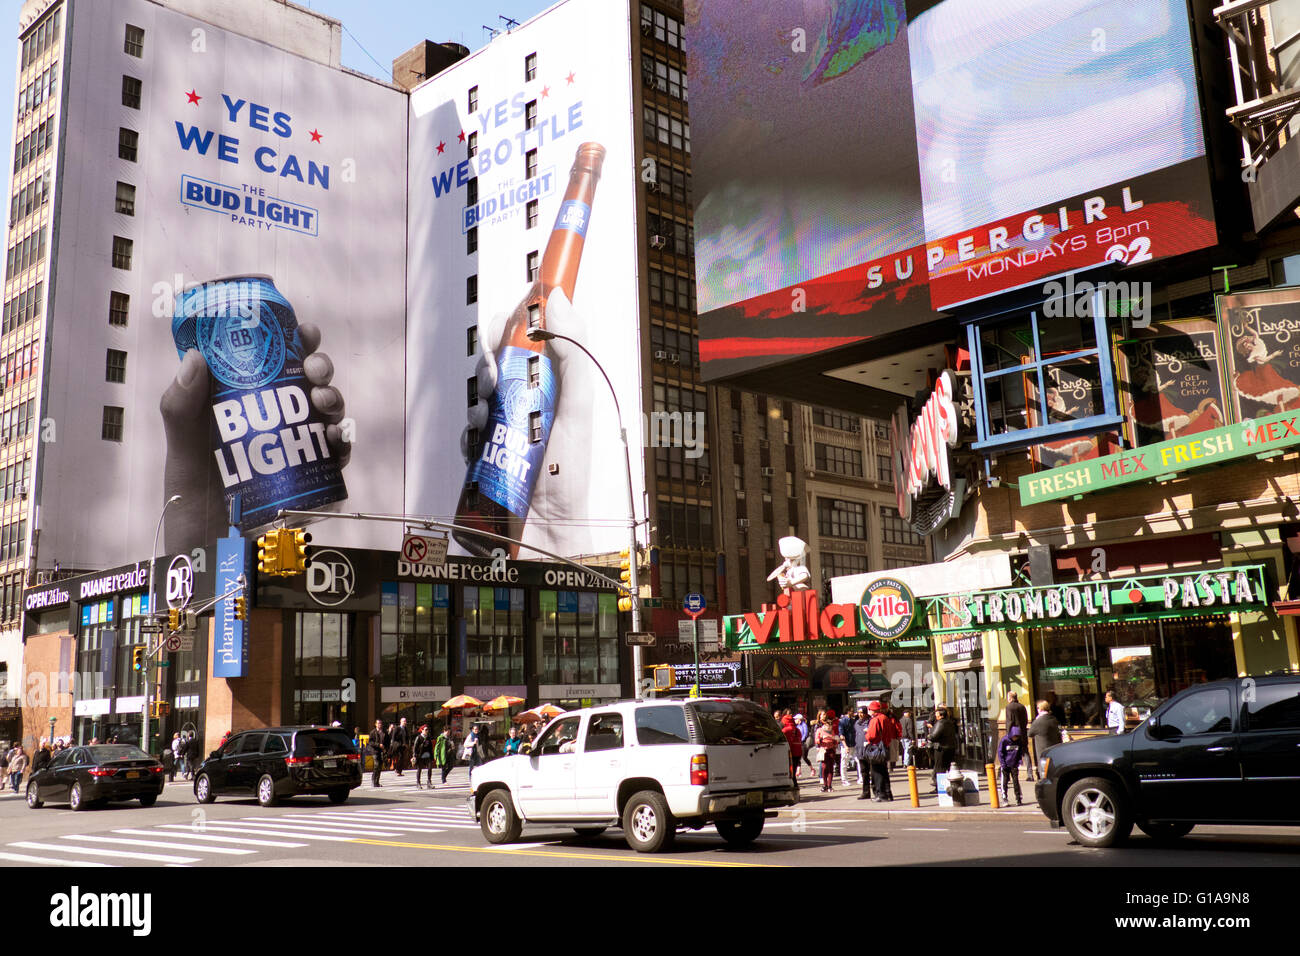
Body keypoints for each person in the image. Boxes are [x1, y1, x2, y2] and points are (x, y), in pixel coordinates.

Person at [864, 701, 898, 801]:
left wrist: (867, 734)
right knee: (884, 772)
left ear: (872, 710)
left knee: (877, 772)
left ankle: (881, 795)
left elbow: (872, 735)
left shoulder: (875, 719)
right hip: (885, 746)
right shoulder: (885, 718)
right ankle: (888, 794)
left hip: (876, 748)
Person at [1028, 700, 1064, 775]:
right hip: (1054, 749)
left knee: (1045, 773)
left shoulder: (1038, 722)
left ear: (1040, 709)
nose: (1037, 709)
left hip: (1043, 751)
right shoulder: (1054, 719)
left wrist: (1036, 720)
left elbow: (1030, 733)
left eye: (1037, 708)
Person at [928, 707, 958, 794]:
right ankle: (951, 785)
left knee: (939, 768)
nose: (935, 716)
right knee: (949, 767)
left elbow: (934, 736)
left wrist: (929, 736)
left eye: (936, 714)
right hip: (950, 747)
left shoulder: (940, 723)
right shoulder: (950, 722)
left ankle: (939, 787)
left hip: (941, 748)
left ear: (940, 715)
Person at [1004, 692, 1031, 780]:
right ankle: (1030, 774)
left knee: (1011, 754)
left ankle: (1010, 775)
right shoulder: (1022, 706)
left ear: (1010, 698)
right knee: (1025, 753)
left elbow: (1009, 721)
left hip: (1013, 734)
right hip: (1022, 733)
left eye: (1008, 697)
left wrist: (1008, 734)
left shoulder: (1009, 707)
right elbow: (1026, 720)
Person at [997, 725, 1025, 805]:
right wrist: (1003, 763)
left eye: (1017, 737)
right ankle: (1004, 797)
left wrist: (1019, 761)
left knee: (1016, 781)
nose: (1015, 738)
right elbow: (1000, 752)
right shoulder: (1004, 740)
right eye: (1014, 737)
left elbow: (1019, 752)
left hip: (1014, 764)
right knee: (1004, 782)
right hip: (1005, 764)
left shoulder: (1018, 742)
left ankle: (1018, 798)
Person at [852, 704, 873, 800]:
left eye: (862, 713)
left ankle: (876, 791)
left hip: (869, 750)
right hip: (860, 751)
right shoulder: (856, 723)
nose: (860, 715)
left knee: (873, 772)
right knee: (864, 772)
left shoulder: (870, 722)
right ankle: (866, 792)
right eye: (859, 713)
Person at [814, 716, 840, 793]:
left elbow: (835, 741)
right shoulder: (820, 730)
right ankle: (824, 785)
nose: (829, 727)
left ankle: (829, 785)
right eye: (828, 725)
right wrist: (822, 739)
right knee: (824, 767)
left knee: (830, 768)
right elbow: (816, 740)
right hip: (823, 750)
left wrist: (835, 741)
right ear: (825, 725)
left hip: (831, 750)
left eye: (830, 726)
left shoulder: (832, 731)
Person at [779, 713, 802, 785]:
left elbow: (787, 743)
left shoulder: (785, 730)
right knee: (794, 770)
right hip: (798, 752)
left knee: (789, 771)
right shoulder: (797, 729)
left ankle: (792, 784)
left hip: (790, 752)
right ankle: (795, 783)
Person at [838, 709, 858, 788]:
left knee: (856, 761)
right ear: (848, 712)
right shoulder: (843, 721)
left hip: (852, 744)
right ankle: (844, 779)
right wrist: (845, 745)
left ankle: (859, 778)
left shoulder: (852, 721)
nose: (854, 713)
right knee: (844, 762)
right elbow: (841, 735)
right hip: (847, 744)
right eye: (852, 711)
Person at [412, 724, 435, 789]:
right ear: (422, 730)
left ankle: (429, 782)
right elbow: (415, 747)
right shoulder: (418, 737)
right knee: (419, 769)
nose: (427, 731)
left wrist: (432, 756)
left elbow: (430, 747)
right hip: (420, 756)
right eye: (425, 730)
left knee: (430, 768)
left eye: (427, 730)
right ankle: (418, 783)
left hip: (428, 755)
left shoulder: (428, 737)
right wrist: (414, 756)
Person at [369, 719, 386, 787]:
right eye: (378, 723)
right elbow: (370, 742)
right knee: (377, 765)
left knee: (380, 766)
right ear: (375, 724)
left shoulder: (384, 732)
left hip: (381, 751)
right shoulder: (373, 732)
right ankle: (373, 780)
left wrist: (385, 748)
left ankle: (377, 782)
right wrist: (378, 745)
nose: (380, 725)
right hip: (375, 751)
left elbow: (387, 740)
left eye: (380, 723)